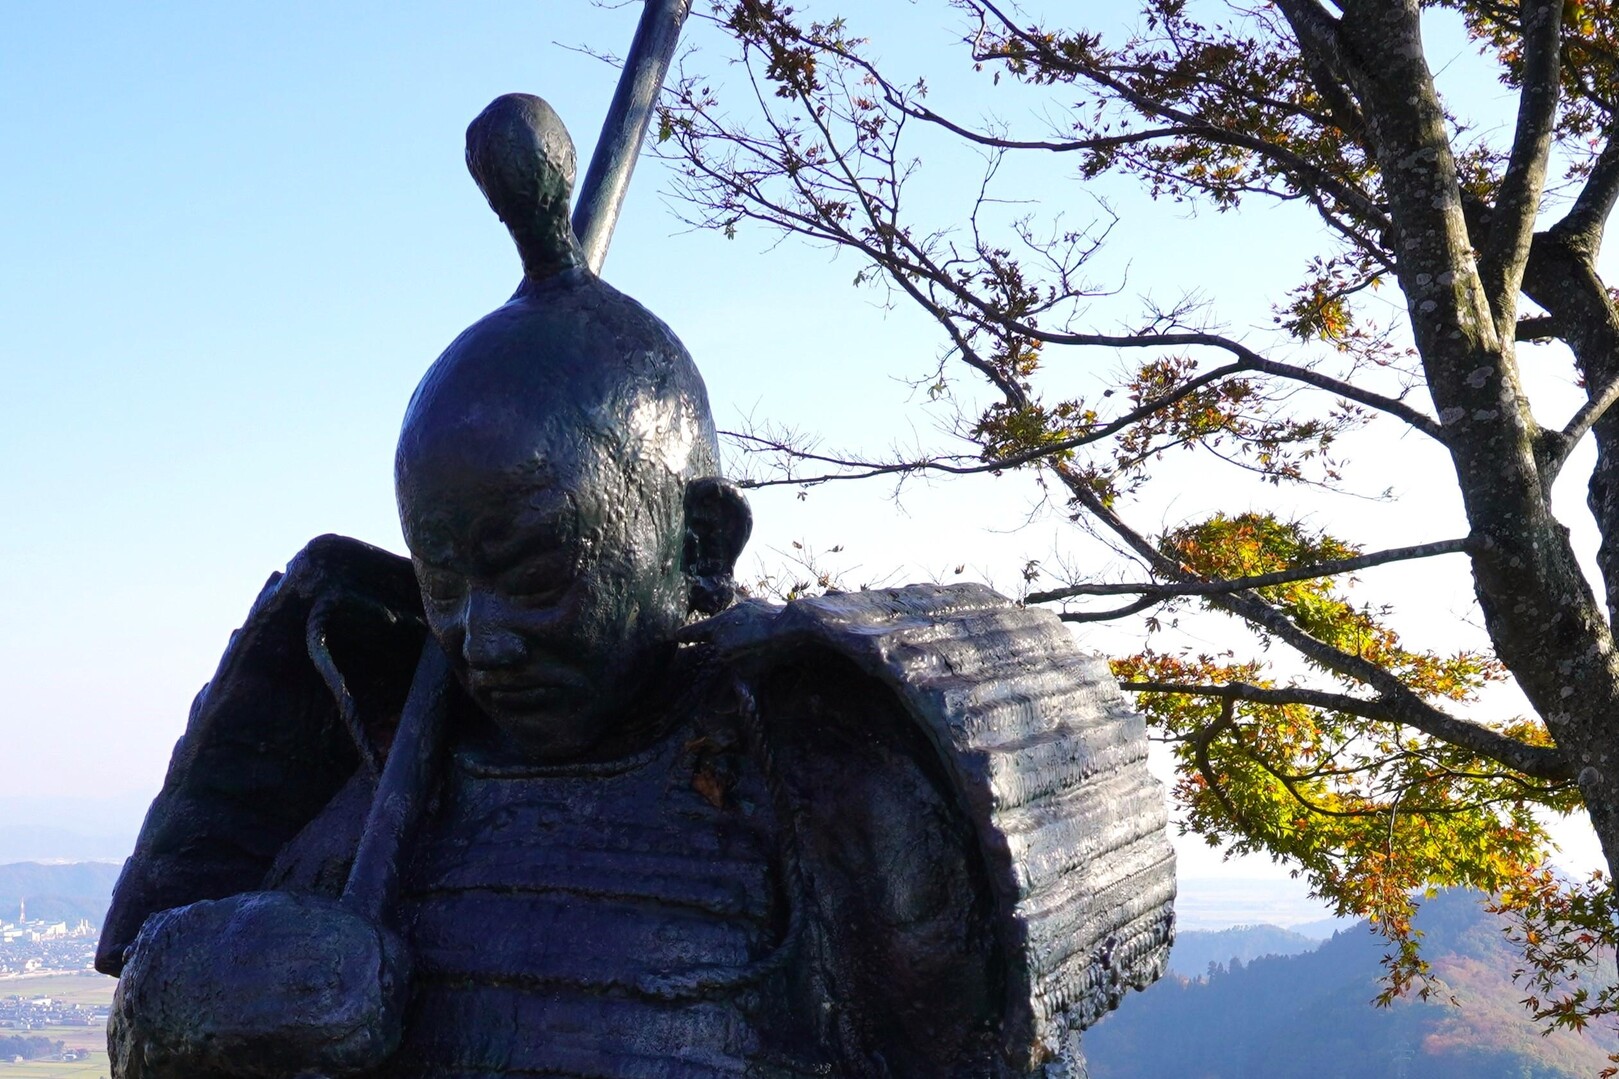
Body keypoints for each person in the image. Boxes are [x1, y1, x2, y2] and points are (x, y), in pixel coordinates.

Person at [97, 94, 1173, 1079]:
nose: (484, 640)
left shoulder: (823, 793)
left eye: (533, 576)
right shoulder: (378, 792)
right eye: (445, 584)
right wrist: (195, 999)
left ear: (699, 543)